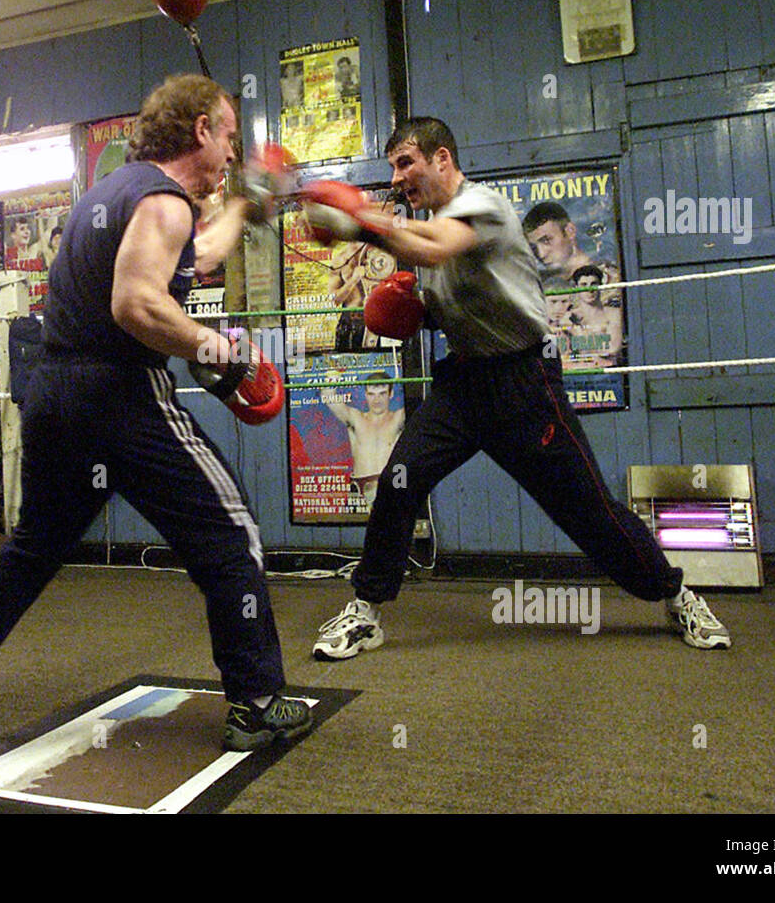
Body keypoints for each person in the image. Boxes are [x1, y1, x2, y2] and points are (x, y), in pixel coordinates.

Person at [0, 74, 313, 751]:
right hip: (118, 393)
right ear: (200, 129)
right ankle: (257, 702)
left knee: (33, 548)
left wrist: (245, 203)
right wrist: (219, 349)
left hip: (53, 393)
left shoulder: (110, 194)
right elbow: (138, 305)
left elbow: (191, 257)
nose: (233, 153)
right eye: (229, 136)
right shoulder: (165, 201)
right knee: (231, 536)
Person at [304, 117, 730, 659]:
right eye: (391, 166)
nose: (397, 177)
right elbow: (441, 281)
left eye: (406, 162)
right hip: (464, 386)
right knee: (398, 483)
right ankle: (366, 611)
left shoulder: (482, 207)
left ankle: (676, 594)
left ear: (442, 159)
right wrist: (405, 306)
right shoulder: (425, 228)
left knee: (588, 510)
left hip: (525, 385)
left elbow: (435, 247)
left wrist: (358, 222)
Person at [320, 372, 405, 507]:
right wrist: (332, 379)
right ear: (366, 395)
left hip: (391, 487)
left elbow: (422, 401)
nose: (377, 400)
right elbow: (329, 398)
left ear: (391, 394)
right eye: (371, 394)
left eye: (382, 393)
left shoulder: (398, 418)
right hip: (360, 489)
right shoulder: (355, 417)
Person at [522, 201, 621, 290]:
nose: (541, 254)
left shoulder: (609, 279)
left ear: (570, 231)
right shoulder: (535, 286)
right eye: (533, 247)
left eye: (546, 241)